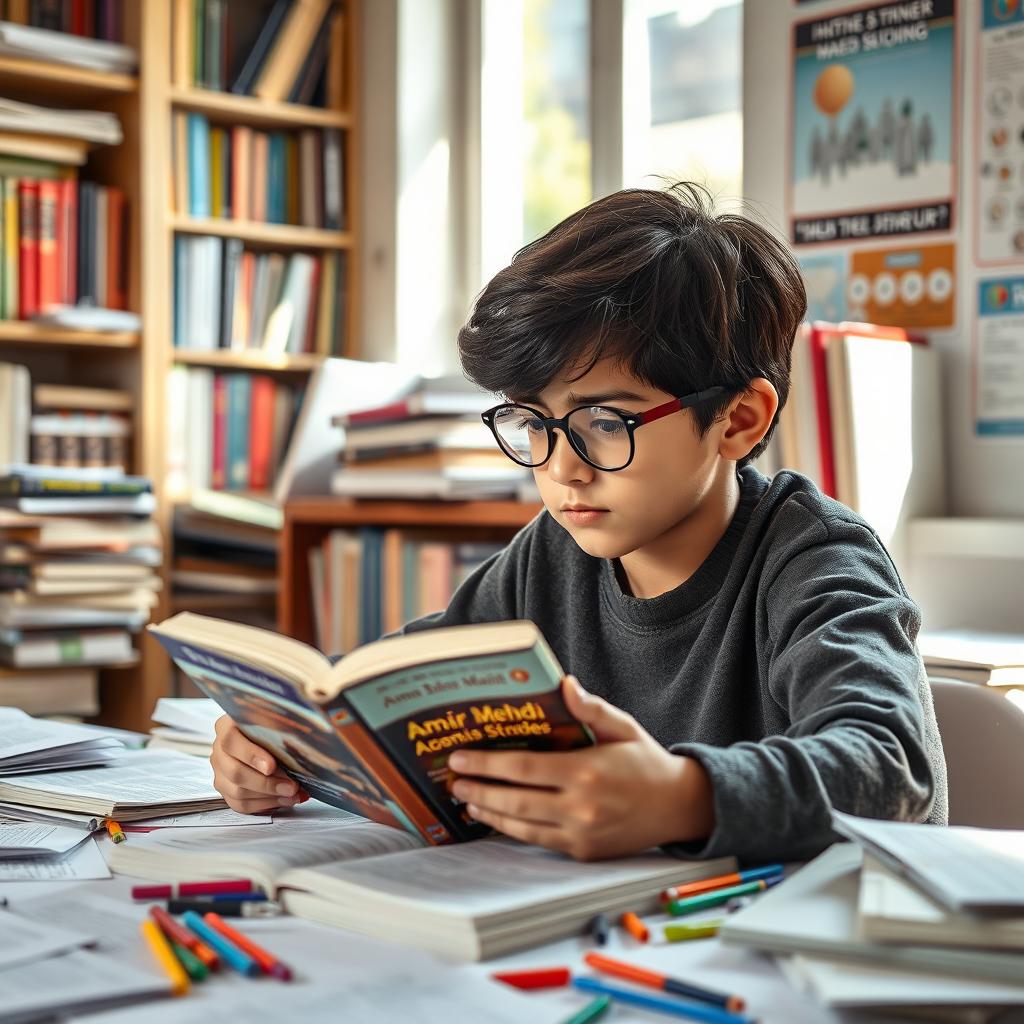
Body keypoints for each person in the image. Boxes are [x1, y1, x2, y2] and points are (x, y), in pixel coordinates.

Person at [210, 183, 947, 863]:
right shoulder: (552, 556)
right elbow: (393, 687)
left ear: (737, 421)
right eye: (534, 422)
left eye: (604, 421)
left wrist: (680, 795)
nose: (562, 467)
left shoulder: (815, 558)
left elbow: (889, 768)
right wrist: (284, 741)